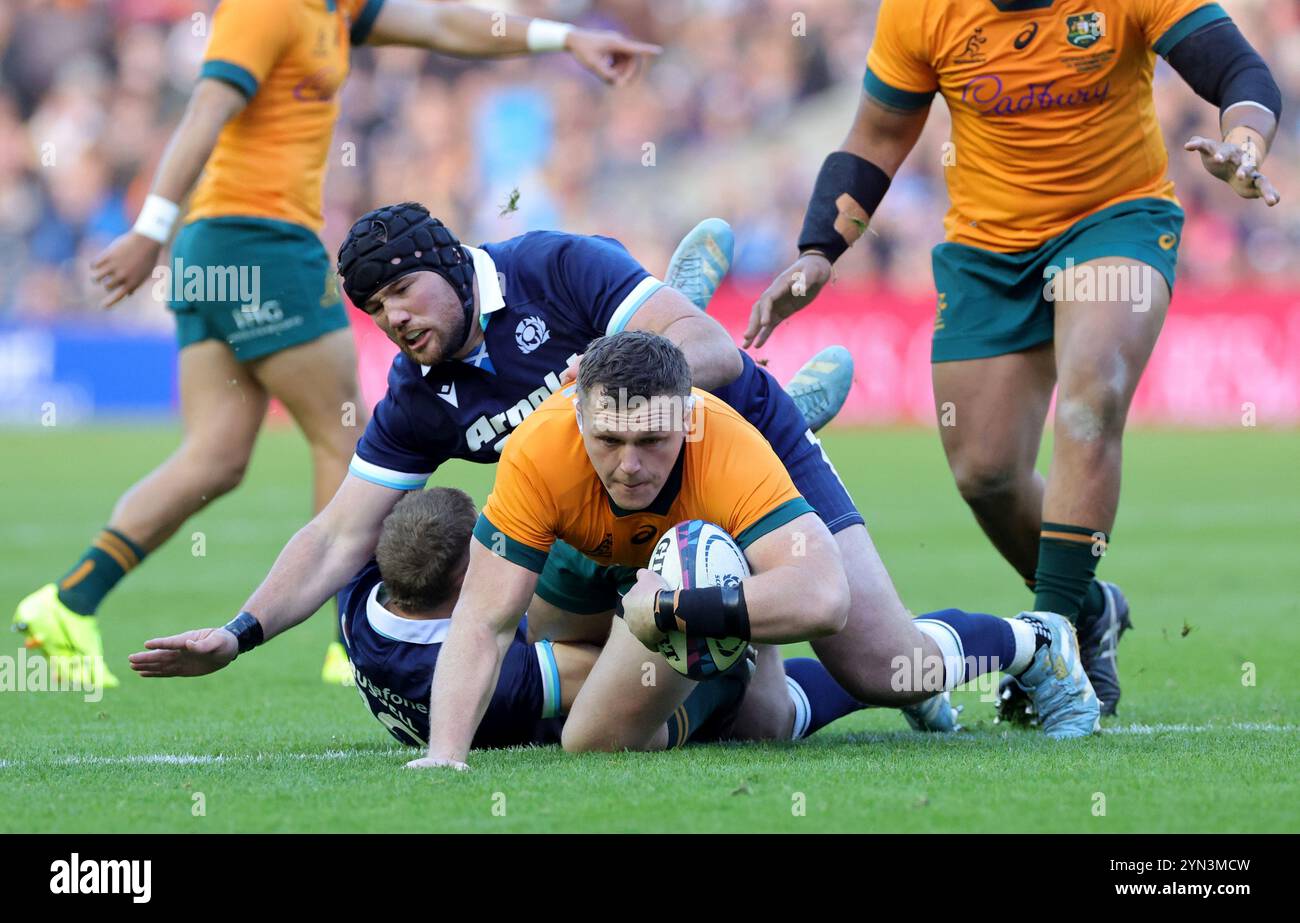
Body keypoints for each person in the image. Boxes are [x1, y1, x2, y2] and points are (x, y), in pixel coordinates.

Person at [12, 0, 661, 688]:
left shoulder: (337, 7)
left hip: (212, 247)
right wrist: (151, 226)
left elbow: (444, 26)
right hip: (262, 241)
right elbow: (205, 109)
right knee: (342, 431)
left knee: (215, 455)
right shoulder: (265, 8)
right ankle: (346, 636)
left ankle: (68, 599)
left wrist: (565, 38)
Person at [746, 0, 1282, 719]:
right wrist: (819, 250)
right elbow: (877, 137)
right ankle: (1089, 610)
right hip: (988, 252)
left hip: (1115, 219)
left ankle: (1050, 648)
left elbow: (1238, 69)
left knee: (1093, 397)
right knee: (986, 472)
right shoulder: (922, 12)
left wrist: (1245, 140)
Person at [409, 331, 1101, 771]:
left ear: (686, 416)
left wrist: (677, 607)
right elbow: (484, 618)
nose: (627, 465)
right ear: (581, 417)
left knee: (888, 665)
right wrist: (445, 757)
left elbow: (822, 597)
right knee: (610, 734)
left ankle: (1032, 640)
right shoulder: (540, 449)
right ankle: (732, 676)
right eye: (609, 439)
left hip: (741, 504)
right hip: (611, 554)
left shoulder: (725, 445)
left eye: (651, 440)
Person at [129, 488, 869, 751]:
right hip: (613, 694)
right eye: (485, 547)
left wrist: (236, 633)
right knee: (762, 715)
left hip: (520, 644)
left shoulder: (366, 597)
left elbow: (334, 545)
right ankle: (732, 530)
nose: (497, 550)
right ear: (463, 583)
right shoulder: (504, 677)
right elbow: (615, 664)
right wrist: (665, 596)